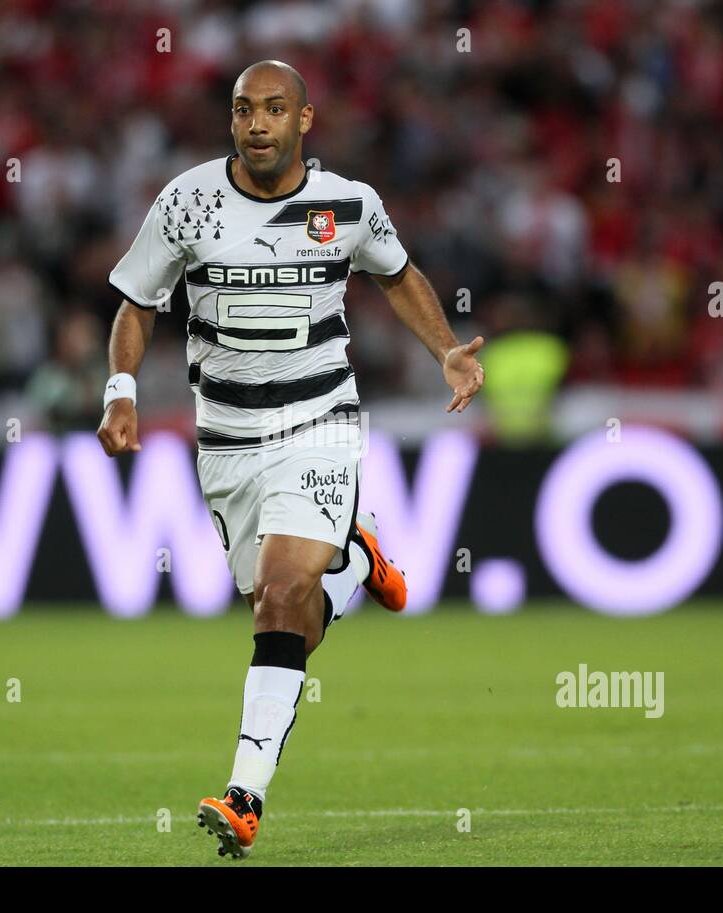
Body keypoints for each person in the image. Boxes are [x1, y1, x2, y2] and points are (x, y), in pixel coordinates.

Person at [100, 60, 485, 859]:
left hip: (320, 424)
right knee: (284, 620)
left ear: (305, 120)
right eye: (244, 110)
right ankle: (355, 562)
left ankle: (244, 795)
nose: (258, 124)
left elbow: (398, 274)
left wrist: (447, 352)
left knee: (281, 593)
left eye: (276, 109)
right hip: (228, 440)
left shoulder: (349, 205)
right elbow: (137, 302)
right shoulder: (187, 201)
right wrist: (120, 391)